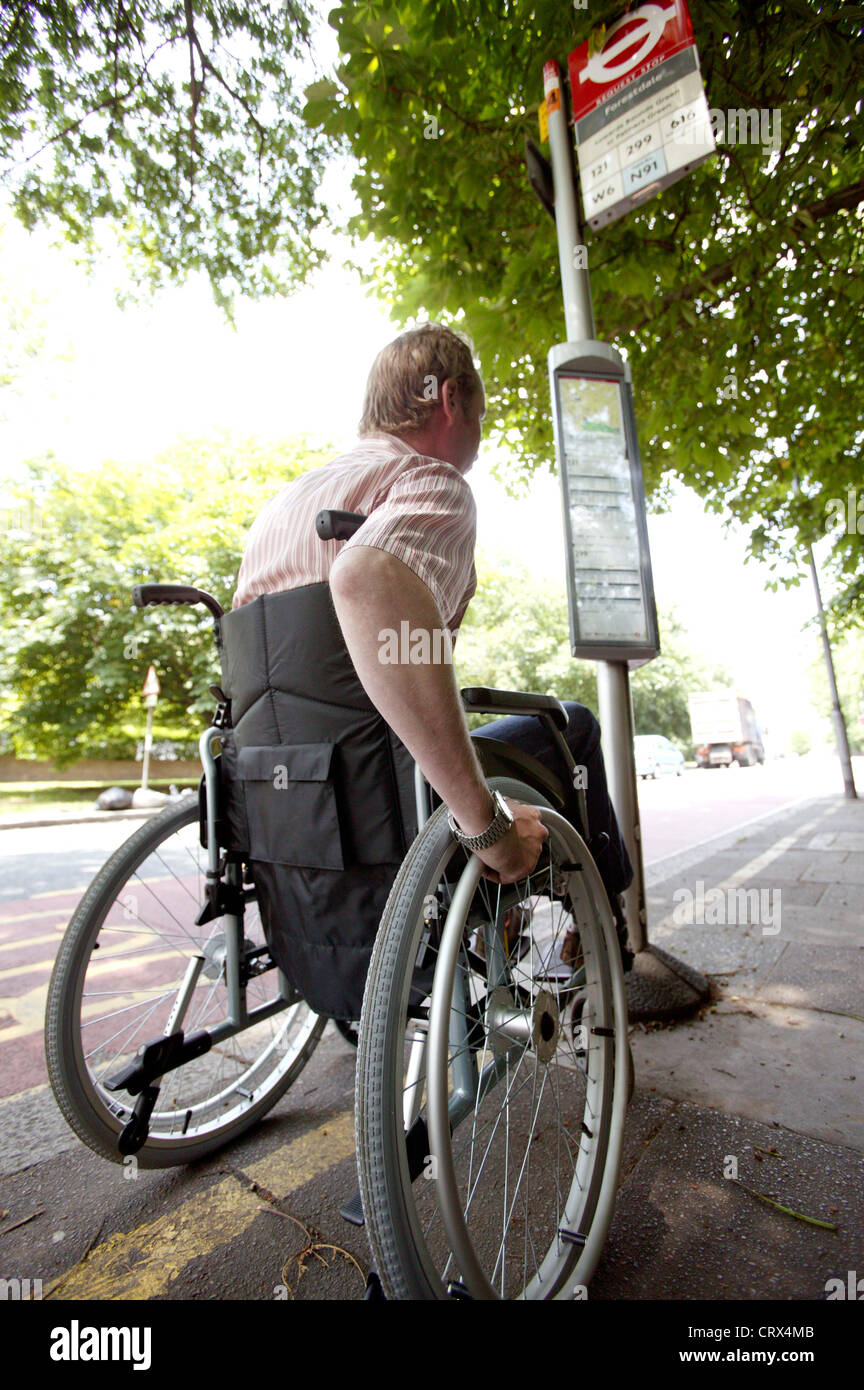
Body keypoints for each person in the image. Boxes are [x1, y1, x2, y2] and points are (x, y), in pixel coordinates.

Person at [232, 322, 632, 955]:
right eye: (479, 415)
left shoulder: (280, 508)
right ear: (450, 400)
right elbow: (365, 578)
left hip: (294, 793)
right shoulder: (428, 480)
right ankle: (603, 923)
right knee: (571, 725)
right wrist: (482, 822)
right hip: (383, 785)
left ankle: (511, 911)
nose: (480, 434)